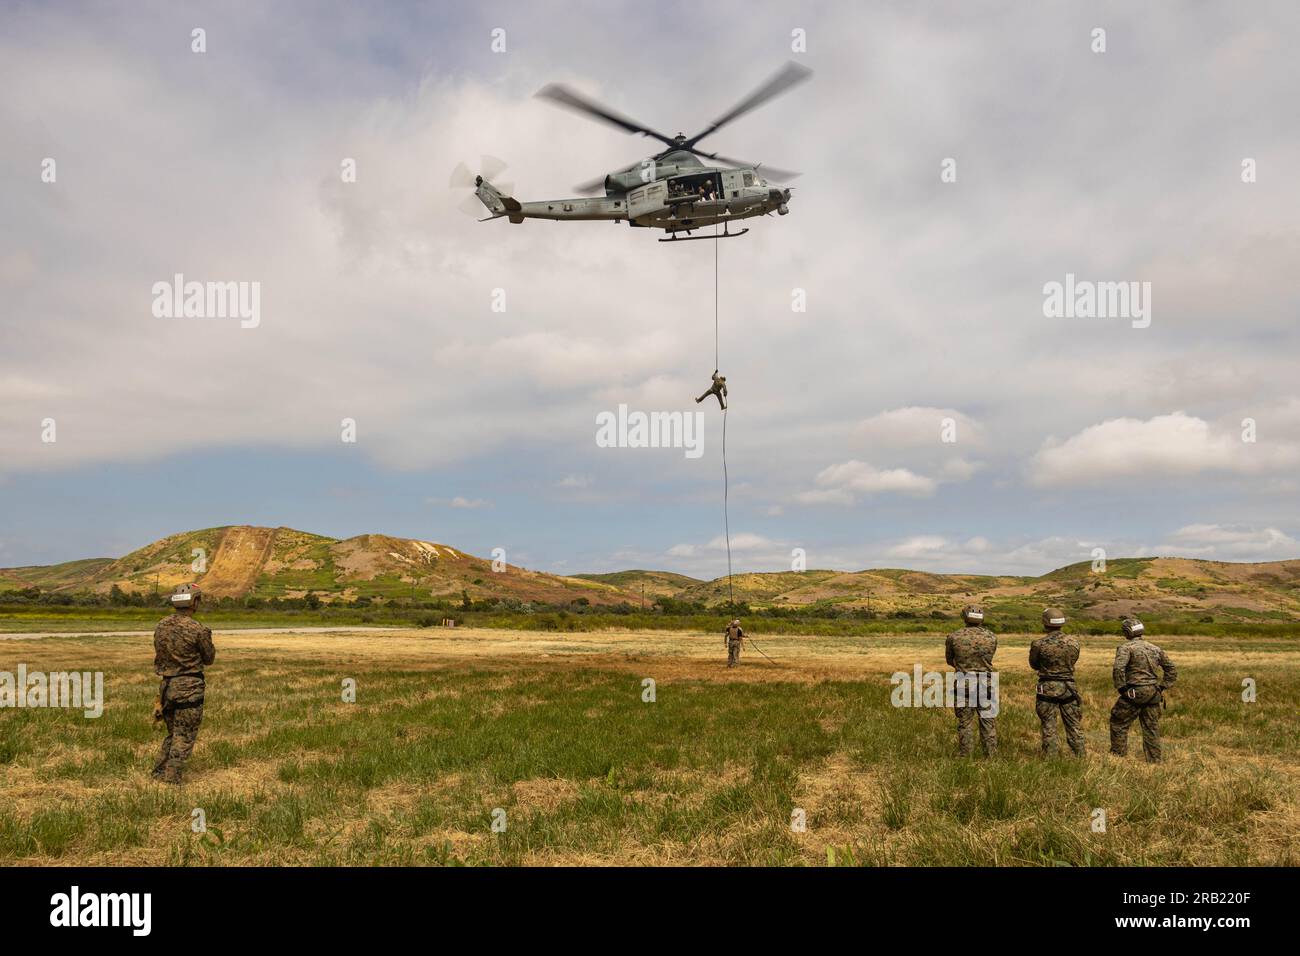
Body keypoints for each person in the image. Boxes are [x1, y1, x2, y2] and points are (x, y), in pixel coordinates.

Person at [152, 583, 216, 784]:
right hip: (189, 687)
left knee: (173, 734)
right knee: (184, 736)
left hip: (166, 687)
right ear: (194, 602)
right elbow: (209, 658)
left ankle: (158, 773)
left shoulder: (161, 626)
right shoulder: (197, 629)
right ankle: (171, 780)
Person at [1110, 617, 1177, 763]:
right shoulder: (1155, 648)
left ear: (1127, 632)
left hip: (1133, 693)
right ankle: (1154, 761)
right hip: (1153, 694)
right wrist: (1162, 686)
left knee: (1118, 723)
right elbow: (1171, 668)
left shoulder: (1126, 648)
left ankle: (1118, 757)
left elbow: (1118, 668)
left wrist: (1122, 689)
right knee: (1151, 728)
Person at [1030, 608, 1085, 756]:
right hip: (1069, 688)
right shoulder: (1073, 642)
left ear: (1045, 623)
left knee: (1049, 725)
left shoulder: (1038, 644)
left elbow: (1034, 664)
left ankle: (1051, 758)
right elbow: (1073, 660)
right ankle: (1080, 756)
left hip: (1047, 687)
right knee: (1074, 724)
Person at [944, 604, 998, 756]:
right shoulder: (991, 637)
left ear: (965, 617)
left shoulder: (954, 637)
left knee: (965, 722)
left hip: (963, 684)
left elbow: (950, 660)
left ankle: (966, 756)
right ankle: (991, 756)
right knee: (988, 721)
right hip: (986, 684)